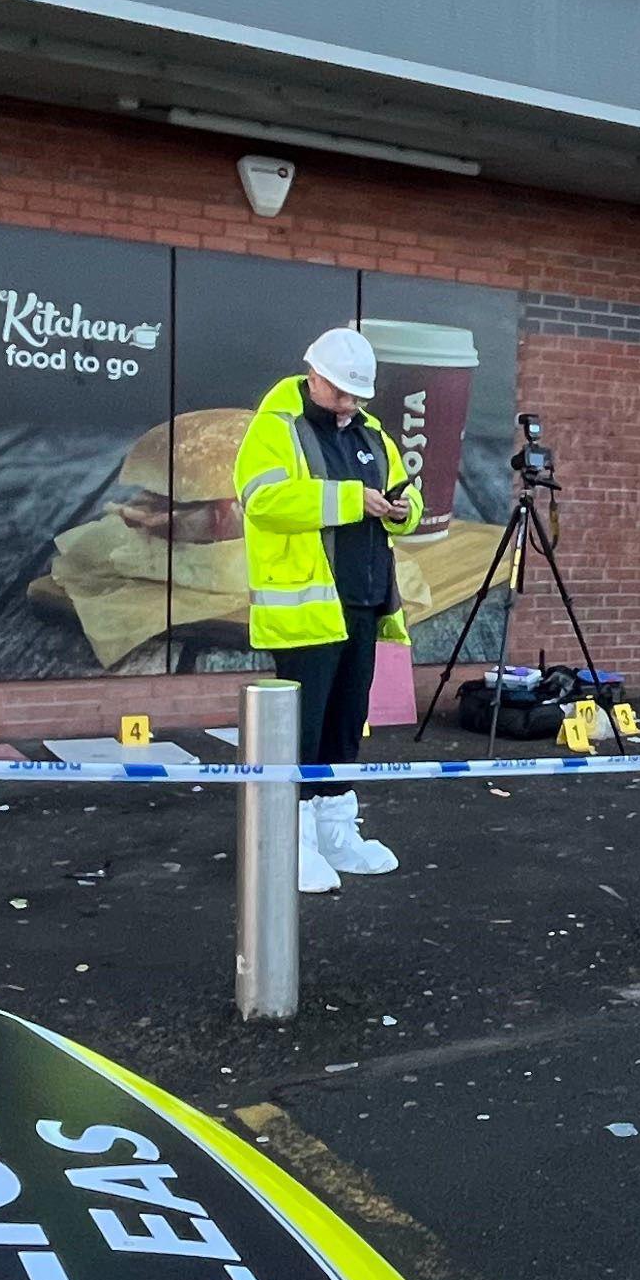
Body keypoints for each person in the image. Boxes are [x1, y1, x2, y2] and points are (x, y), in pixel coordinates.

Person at [237, 326, 423, 894]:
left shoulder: (372, 433)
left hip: (363, 603)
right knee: (302, 732)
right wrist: (348, 499)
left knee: (344, 725)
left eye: (357, 396)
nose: (348, 405)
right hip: (305, 610)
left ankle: (337, 831)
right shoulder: (276, 428)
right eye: (340, 392)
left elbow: (408, 499)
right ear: (311, 375)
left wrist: (401, 511)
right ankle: (291, 841)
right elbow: (260, 500)